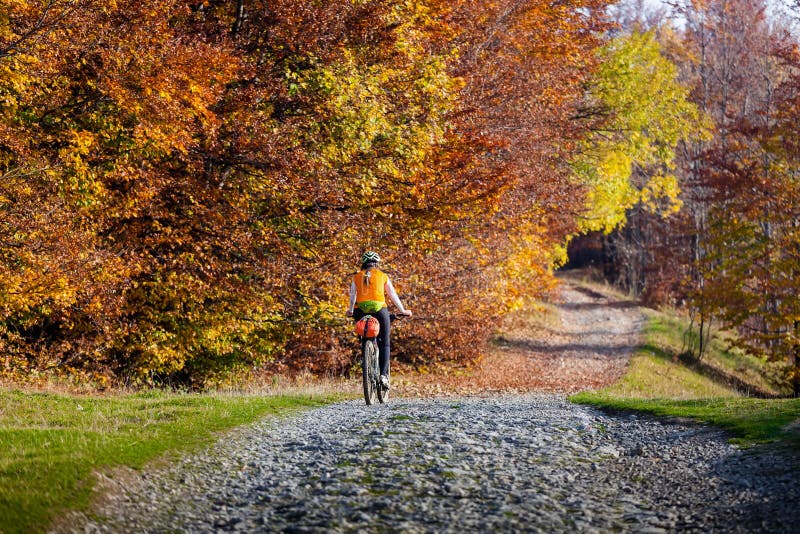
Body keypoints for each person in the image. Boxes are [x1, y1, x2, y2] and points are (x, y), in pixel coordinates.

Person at [346, 251, 412, 390]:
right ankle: (383, 376)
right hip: (379, 310)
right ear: (376, 264)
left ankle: (366, 355)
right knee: (385, 342)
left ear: (363, 264)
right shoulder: (382, 276)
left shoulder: (356, 277)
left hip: (360, 310)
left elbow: (352, 295)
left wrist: (351, 310)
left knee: (364, 334)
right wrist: (402, 310)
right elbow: (392, 294)